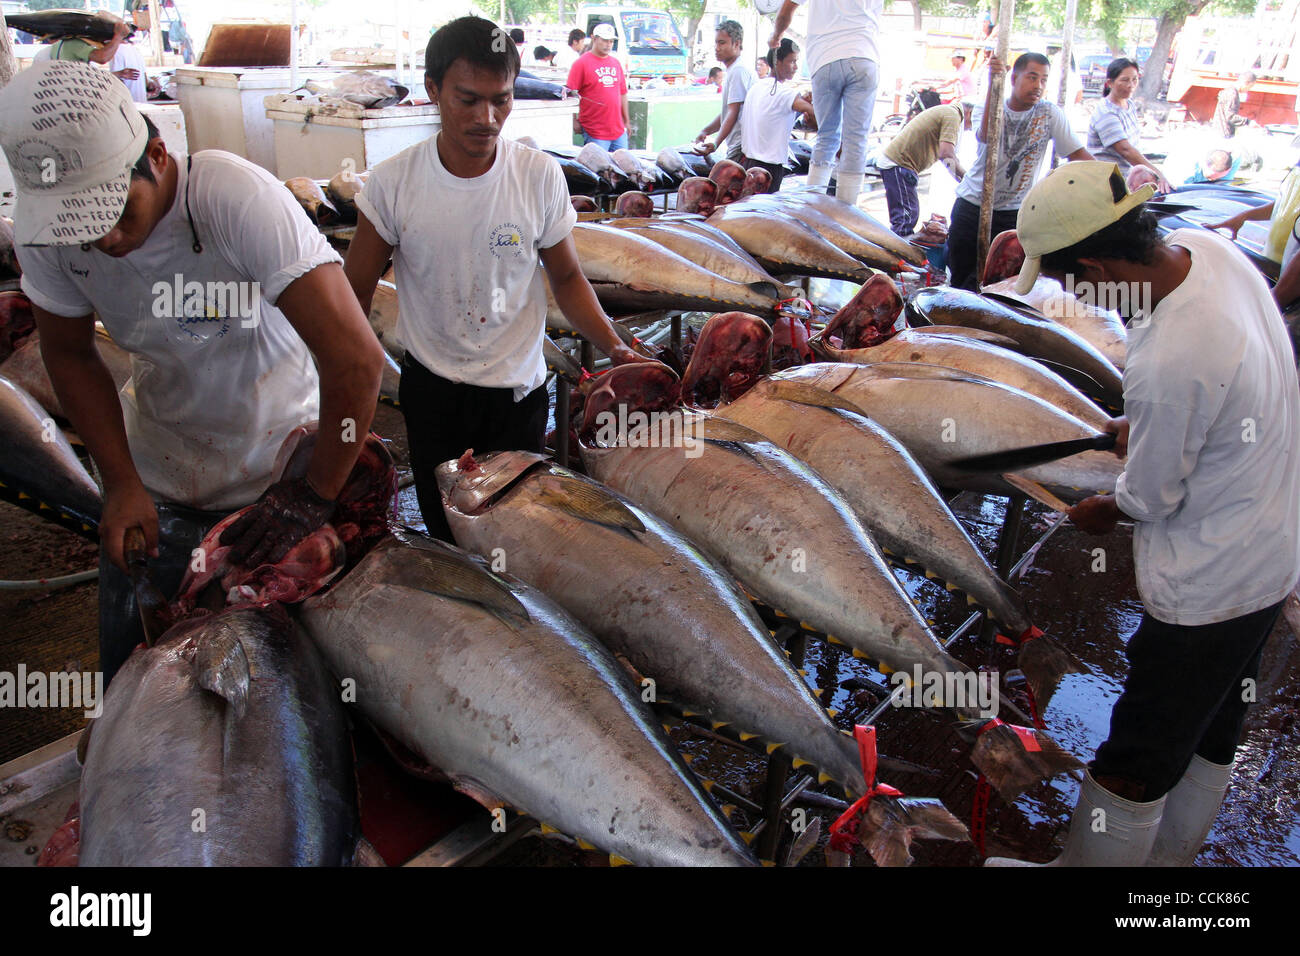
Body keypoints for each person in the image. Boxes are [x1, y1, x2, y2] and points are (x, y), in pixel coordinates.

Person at [0, 60, 385, 685]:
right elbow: (69, 354)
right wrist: (120, 483)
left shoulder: (233, 199)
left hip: (283, 469)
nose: (103, 239)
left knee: (294, 696)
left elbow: (355, 358)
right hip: (162, 475)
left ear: (156, 156)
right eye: (81, 227)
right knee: (142, 685)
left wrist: (311, 494)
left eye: (118, 210)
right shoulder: (48, 239)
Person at [987, 161, 1300, 866]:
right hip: (1273, 549)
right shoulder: (1210, 250)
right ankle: (1169, 867)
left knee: (1137, 752)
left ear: (1097, 264)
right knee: (1213, 729)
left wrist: (1102, 507)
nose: (1074, 294)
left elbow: (1150, 499)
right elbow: (1225, 386)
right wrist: (1151, 426)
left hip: (1209, 584)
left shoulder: (1167, 355)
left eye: (1071, 280)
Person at [343, 18, 648, 542]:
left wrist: (614, 344)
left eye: (501, 100)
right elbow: (353, 295)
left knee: (515, 538)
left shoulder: (538, 176)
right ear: (433, 89)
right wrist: (350, 399)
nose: (487, 118)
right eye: (468, 100)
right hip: (432, 392)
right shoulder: (394, 182)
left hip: (516, 395)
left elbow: (569, 277)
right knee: (447, 534)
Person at [945, 52, 1094, 290]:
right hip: (973, 207)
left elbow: (1078, 155)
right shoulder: (991, 105)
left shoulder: (1049, 113)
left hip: (1016, 214)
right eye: (1032, 77)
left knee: (1003, 287)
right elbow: (985, 135)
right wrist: (995, 85)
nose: (1038, 85)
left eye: (1044, 80)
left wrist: (1114, 181)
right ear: (1014, 79)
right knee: (962, 284)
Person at [769, 0, 883, 207]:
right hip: (864, 54)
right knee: (856, 139)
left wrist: (776, 36)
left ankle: (812, 207)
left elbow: (786, 9)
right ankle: (847, 213)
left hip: (824, 58)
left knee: (827, 135)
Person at [1207, 159, 1300, 310]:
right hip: (1274, 265)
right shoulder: (1297, 167)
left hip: (1290, 286)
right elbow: (1283, 204)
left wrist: (1273, 303)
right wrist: (1244, 216)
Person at [877, 102, 965, 237]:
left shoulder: (949, 112)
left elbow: (949, 158)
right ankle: (899, 255)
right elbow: (946, 155)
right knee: (905, 219)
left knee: (908, 216)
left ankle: (900, 252)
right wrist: (965, 179)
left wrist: (962, 179)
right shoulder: (953, 115)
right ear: (970, 113)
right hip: (899, 163)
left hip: (900, 164)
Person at [739, 40, 816, 191]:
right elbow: (818, 114)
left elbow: (775, 116)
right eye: (792, 61)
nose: (795, 67)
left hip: (748, 164)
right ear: (777, 62)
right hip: (768, 169)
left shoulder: (756, 88)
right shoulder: (784, 93)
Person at [1086, 58, 1168, 190]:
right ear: (1110, 83)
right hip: (1106, 184)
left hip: (1125, 180)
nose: (1131, 85)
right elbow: (1126, 150)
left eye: (1134, 79)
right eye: (1125, 80)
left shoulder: (1129, 104)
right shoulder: (1106, 112)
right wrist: (1158, 175)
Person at [693, 21, 755, 163]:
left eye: (722, 43)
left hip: (741, 146)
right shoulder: (734, 70)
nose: (717, 48)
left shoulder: (739, 71)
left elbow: (733, 113)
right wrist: (706, 131)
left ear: (737, 44)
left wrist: (716, 143)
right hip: (738, 145)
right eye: (716, 43)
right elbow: (728, 111)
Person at [566, 22, 629, 151]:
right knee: (598, 169)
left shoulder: (615, 63)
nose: (608, 44)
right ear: (594, 38)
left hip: (617, 129)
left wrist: (626, 121)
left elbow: (622, 93)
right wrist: (573, 120)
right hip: (594, 131)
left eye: (611, 41)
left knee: (625, 168)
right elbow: (569, 93)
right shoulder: (581, 63)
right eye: (605, 40)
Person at [1214, 72, 1257, 139]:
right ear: (1246, 83)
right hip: (1224, 133)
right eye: (1250, 87)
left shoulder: (1228, 90)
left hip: (1219, 130)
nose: (1248, 90)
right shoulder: (1232, 94)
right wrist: (1248, 122)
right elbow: (1230, 117)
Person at [110, 32, 148, 103]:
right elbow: (145, 81)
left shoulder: (116, 51)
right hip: (141, 102)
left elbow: (117, 83)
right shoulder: (136, 50)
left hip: (128, 105)